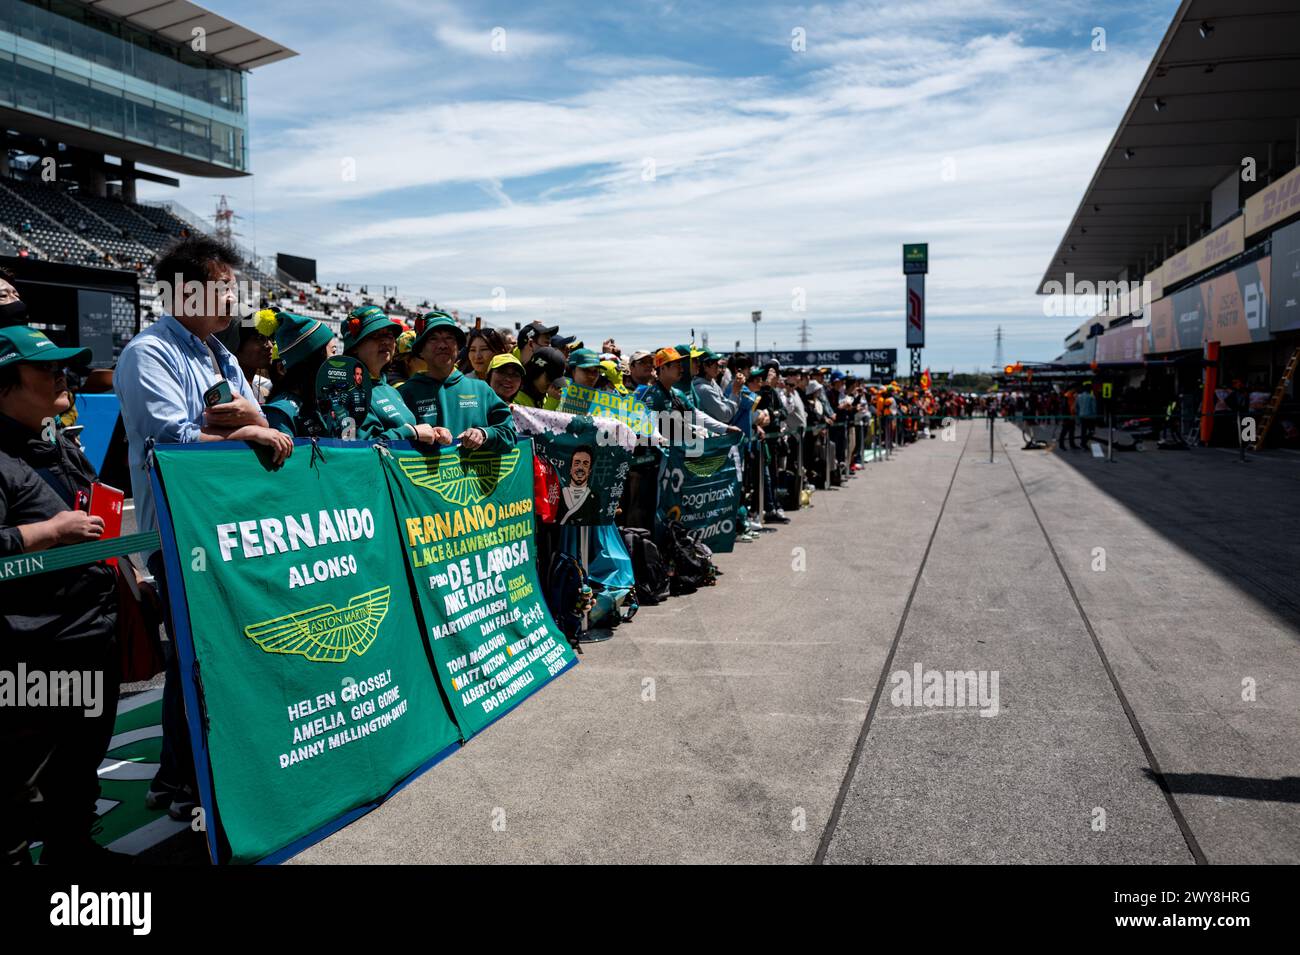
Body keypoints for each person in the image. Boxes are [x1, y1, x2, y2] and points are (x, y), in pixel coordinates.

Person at [115, 237, 291, 819]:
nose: (233, 296)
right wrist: (242, 430)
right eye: (222, 285)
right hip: (182, 535)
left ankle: (218, 771)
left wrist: (249, 423)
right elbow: (173, 440)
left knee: (231, 655)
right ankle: (178, 781)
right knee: (195, 658)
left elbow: (261, 419)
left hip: (234, 529)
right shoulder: (149, 354)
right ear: (184, 290)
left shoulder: (223, 354)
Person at [0, 326, 124, 864]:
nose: (60, 377)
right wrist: (44, 533)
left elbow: (97, 514)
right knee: (19, 780)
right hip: (34, 650)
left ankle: (73, 850)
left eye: (60, 367)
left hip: (91, 633)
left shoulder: (54, 440)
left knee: (80, 763)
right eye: (44, 369)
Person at [399, 311, 516, 451]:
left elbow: (510, 435)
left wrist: (484, 434)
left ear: (458, 347)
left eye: (449, 338)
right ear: (420, 350)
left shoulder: (481, 390)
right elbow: (391, 444)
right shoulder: (404, 393)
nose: (442, 345)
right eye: (433, 339)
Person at [341, 306, 441, 444]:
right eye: (375, 335)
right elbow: (356, 448)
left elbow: (413, 434)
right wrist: (411, 432)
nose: (386, 341)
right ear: (355, 347)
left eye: (389, 335)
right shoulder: (347, 392)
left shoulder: (391, 390)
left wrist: (434, 434)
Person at [260, 311, 338, 438]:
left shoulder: (320, 404)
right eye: (333, 352)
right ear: (312, 360)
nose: (336, 361)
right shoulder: (281, 412)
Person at [559, 446, 602, 524]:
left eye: (585, 464)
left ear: (589, 471)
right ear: (570, 469)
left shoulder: (595, 497)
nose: (580, 467)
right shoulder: (559, 494)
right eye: (577, 463)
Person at [692, 349, 737, 423]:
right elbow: (725, 416)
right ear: (705, 366)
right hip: (708, 433)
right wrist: (735, 393)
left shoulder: (711, 382)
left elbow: (724, 403)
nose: (718, 365)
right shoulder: (704, 389)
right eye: (714, 363)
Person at [234, 322, 273, 403]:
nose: (270, 346)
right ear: (235, 343)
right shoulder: (226, 393)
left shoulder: (262, 393)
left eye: (270, 338)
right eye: (259, 338)